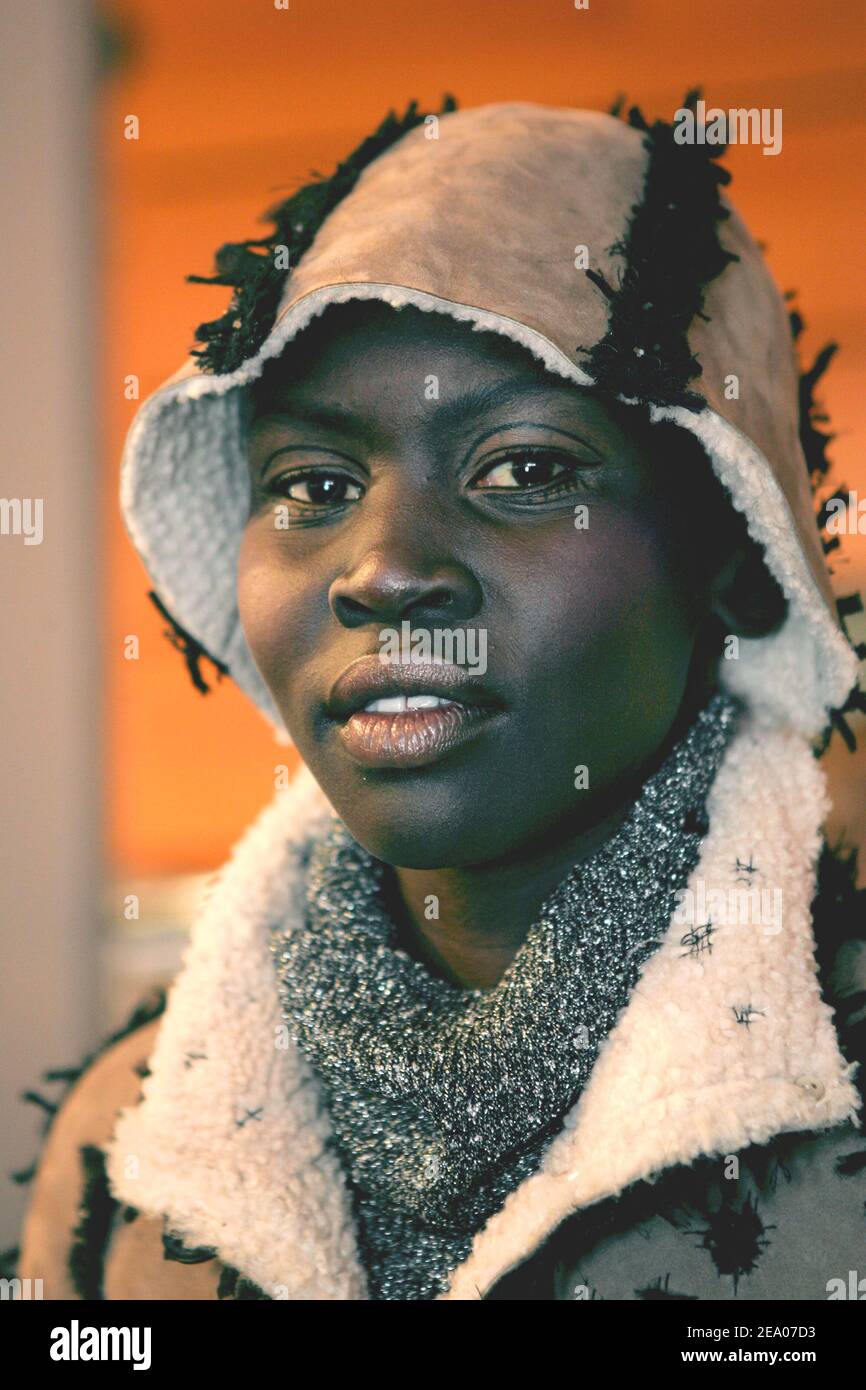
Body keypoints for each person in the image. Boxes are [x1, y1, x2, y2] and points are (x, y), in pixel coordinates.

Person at [14, 95, 866, 1300]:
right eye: (310, 483)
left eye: (523, 470)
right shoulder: (128, 1150)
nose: (382, 569)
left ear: (728, 547)